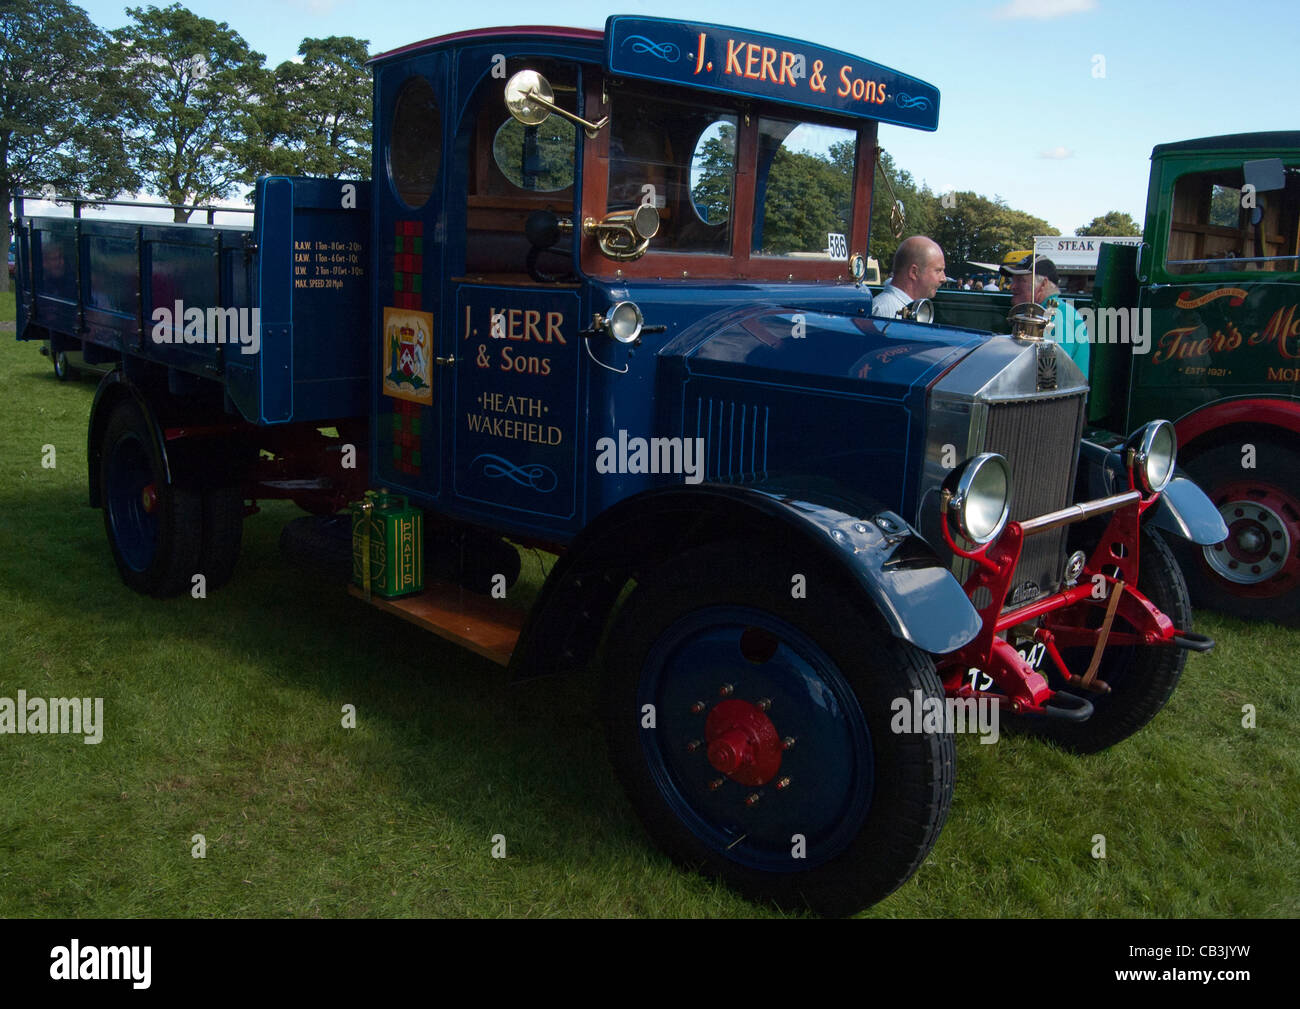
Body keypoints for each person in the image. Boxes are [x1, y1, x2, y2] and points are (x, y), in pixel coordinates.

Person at [1000, 253, 1090, 376]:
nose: (1012, 286)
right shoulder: (1056, 311)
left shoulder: (1053, 316)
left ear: (1043, 284)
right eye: (1013, 280)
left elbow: (1047, 375)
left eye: (1021, 280)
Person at [871, 236, 947, 318]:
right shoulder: (884, 312)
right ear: (914, 272)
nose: (944, 279)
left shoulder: (915, 309)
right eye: (938, 271)